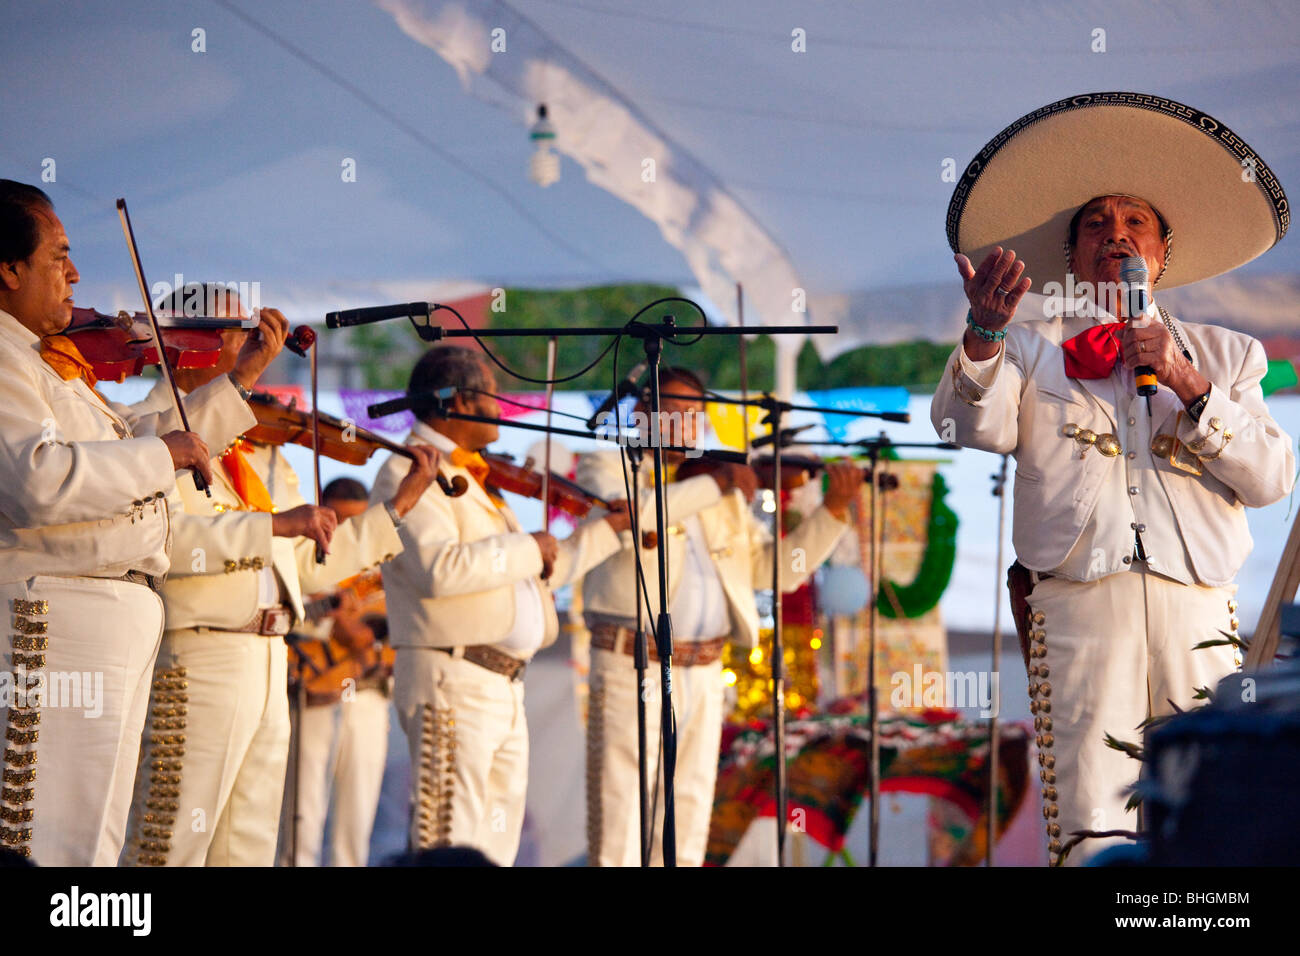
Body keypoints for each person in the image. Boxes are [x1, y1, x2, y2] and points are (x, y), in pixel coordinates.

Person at [932, 92, 1294, 865]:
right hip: (1076, 599)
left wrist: (1186, 380)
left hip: (1197, 603)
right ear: (1072, 256)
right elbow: (967, 426)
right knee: (1095, 810)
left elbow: (1270, 480)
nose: (1116, 235)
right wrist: (985, 335)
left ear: (1165, 250)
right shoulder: (1028, 347)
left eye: (1135, 223)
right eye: (1096, 224)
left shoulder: (1229, 356)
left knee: (1206, 799)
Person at [120, 288, 439, 866]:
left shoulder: (258, 445)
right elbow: (167, 541)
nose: (249, 343)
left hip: (269, 655)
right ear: (194, 341)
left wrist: (397, 511)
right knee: (167, 842)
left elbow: (307, 566)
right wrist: (272, 525)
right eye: (238, 331)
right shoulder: (143, 428)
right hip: (199, 655)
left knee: (248, 845)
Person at [0, 180, 214, 865]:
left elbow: (119, 449)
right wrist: (159, 452)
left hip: (100, 620)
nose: (76, 274)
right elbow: (39, 479)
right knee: (48, 838)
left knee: (91, 844)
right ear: (8, 269)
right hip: (55, 621)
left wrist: (206, 410)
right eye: (58, 256)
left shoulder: (44, 363)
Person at [576, 367, 862, 866]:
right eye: (675, 412)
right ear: (643, 412)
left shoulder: (713, 487)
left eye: (695, 415)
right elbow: (635, 514)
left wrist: (832, 513)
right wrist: (719, 482)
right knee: (622, 818)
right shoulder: (610, 466)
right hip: (632, 665)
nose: (686, 426)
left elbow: (773, 569)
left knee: (687, 821)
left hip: (705, 670)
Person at [370, 346, 631, 866]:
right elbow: (438, 570)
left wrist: (605, 533)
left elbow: (533, 570)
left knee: (495, 848)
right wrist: (529, 546)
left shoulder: (481, 480)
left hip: (501, 682)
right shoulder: (408, 469)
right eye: (490, 394)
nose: (500, 407)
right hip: (452, 675)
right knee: (449, 841)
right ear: (458, 401)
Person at [278, 477, 394, 867]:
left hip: (368, 694)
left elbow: (388, 628)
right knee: (303, 815)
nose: (347, 530)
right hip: (315, 692)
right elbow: (283, 618)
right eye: (340, 519)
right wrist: (335, 624)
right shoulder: (302, 555)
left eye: (356, 521)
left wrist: (363, 633)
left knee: (356, 821)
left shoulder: (382, 566)